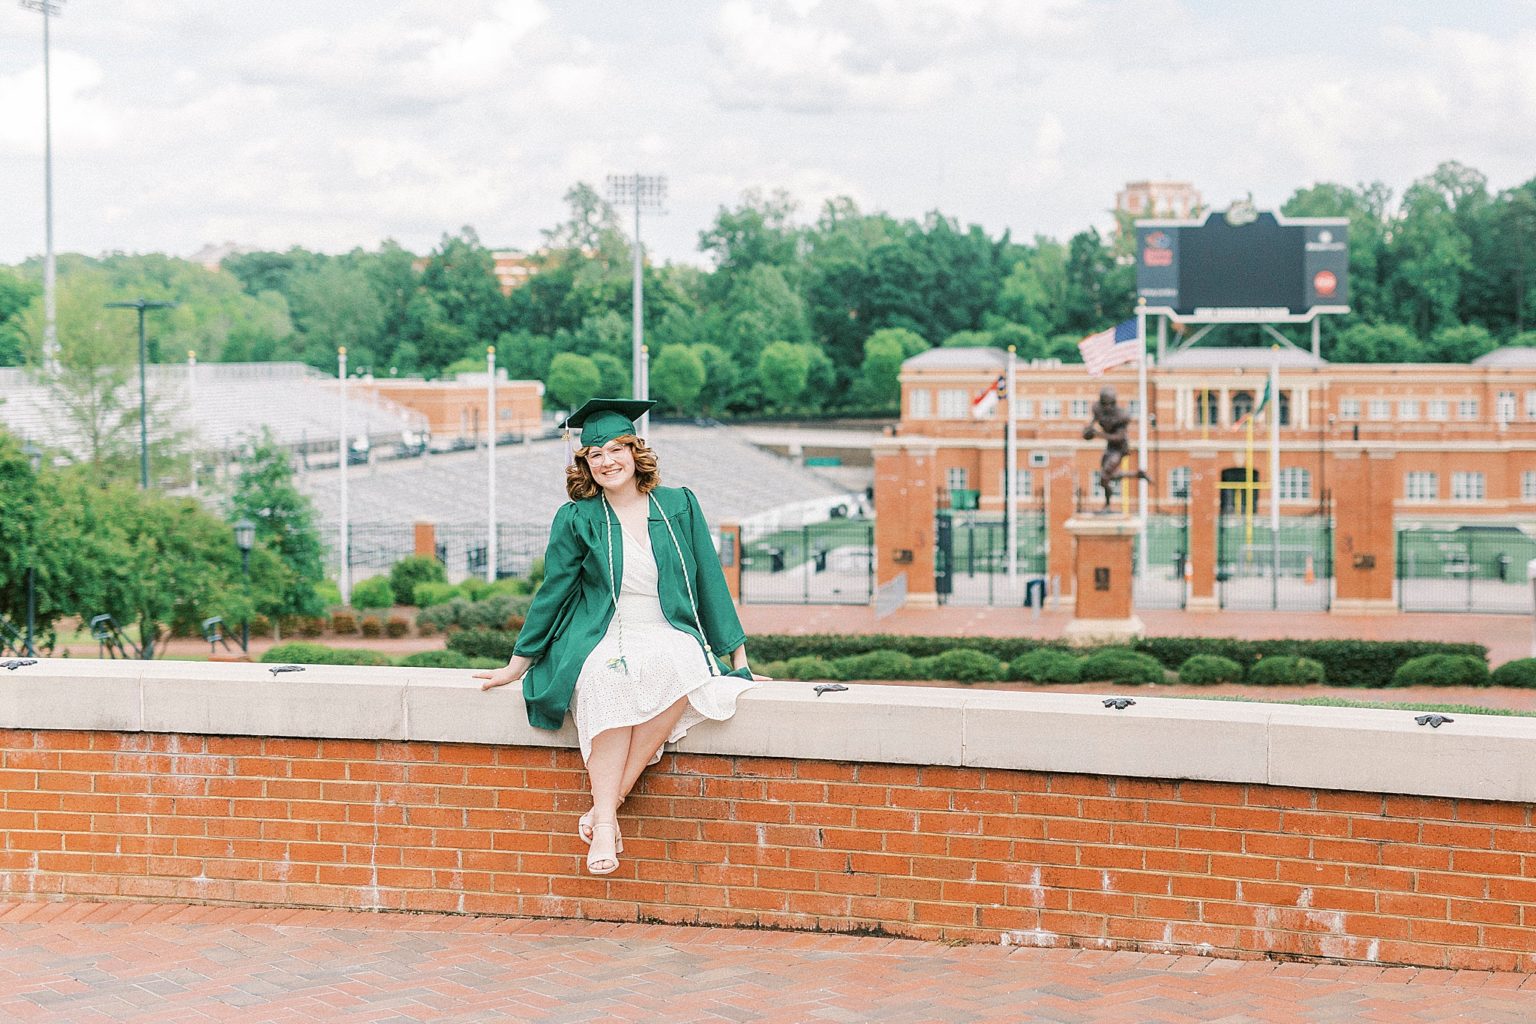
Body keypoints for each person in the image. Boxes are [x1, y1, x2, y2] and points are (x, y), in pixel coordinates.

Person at [475, 398, 767, 876]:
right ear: (585, 464)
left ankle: (605, 811)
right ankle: (607, 820)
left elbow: (710, 581)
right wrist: (518, 662)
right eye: (595, 454)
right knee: (603, 683)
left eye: (616, 449)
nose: (607, 461)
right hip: (603, 628)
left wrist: (737, 657)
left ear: (636, 453)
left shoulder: (678, 504)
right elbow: (554, 591)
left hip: (666, 624)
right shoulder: (578, 519)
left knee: (684, 666)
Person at [1081, 386, 1147, 511]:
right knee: (1105, 478)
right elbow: (1094, 421)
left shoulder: (1121, 416)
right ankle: (1137, 474)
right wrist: (1088, 430)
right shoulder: (1098, 409)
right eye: (1104, 404)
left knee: (1105, 475)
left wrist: (1098, 434)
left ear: (1114, 403)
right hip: (1110, 447)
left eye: (1109, 404)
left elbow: (1118, 437)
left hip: (1120, 447)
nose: (1107, 408)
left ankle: (1107, 506)